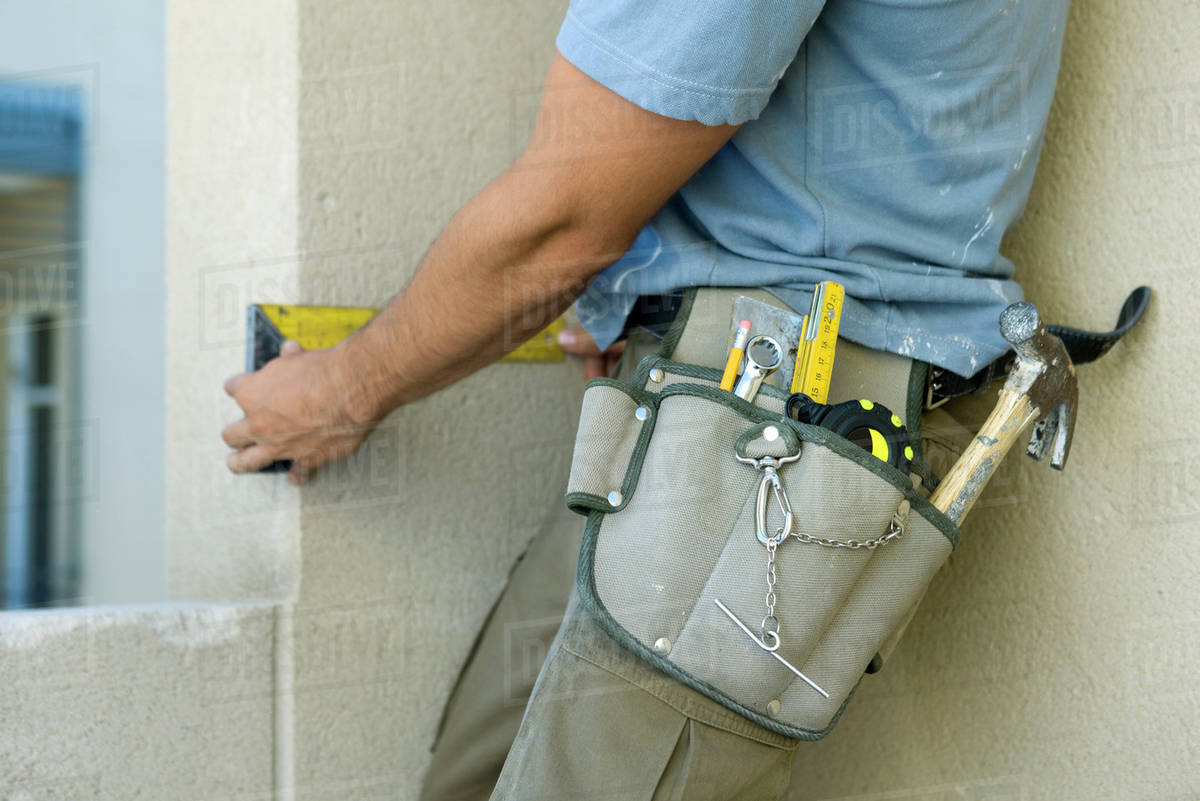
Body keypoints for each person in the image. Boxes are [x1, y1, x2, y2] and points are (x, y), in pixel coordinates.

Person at [222, 0, 1069, 797]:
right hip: (755, 412)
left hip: (766, 432)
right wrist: (644, 292)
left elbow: (565, 218)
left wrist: (345, 389)